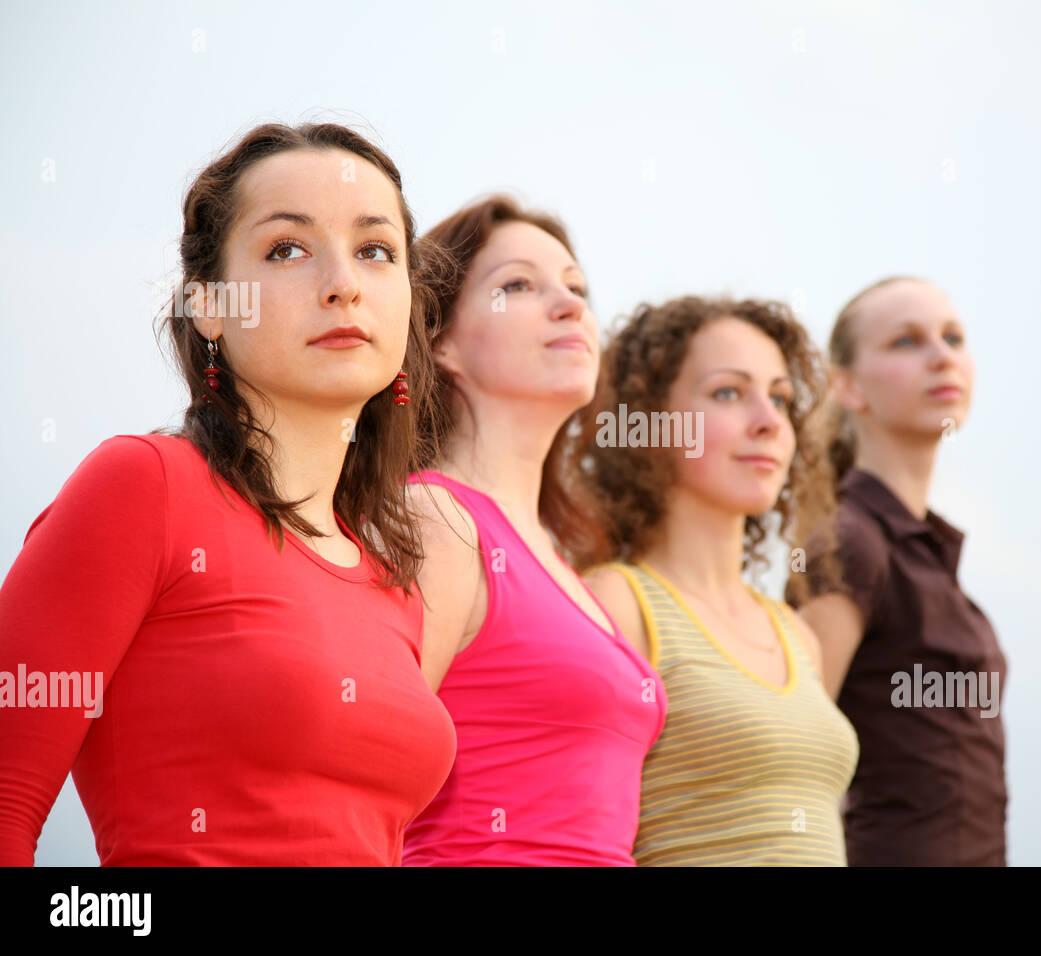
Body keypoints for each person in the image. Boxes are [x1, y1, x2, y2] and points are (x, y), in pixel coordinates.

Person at [0, 123, 456, 866]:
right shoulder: (142, 487)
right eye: (287, 249)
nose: (343, 281)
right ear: (210, 306)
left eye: (375, 249)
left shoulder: (392, 580)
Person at [401, 195, 665, 867]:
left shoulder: (562, 558)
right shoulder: (437, 522)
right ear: (439, 339)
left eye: (577, 287)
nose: (570, 304)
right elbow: (366, 774)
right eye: (517, 285)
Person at [576, 295, 859, 866]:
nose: (769, 420)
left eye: (780, 398)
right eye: (728, 392)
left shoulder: (798, 635)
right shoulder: (614, 604)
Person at [788, 276, 1008, 866]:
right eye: (906, 342)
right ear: (848, 387)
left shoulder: (926, 548)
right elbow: (793, 750)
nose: (942, 357)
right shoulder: (850, 540)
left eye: (954, 337)